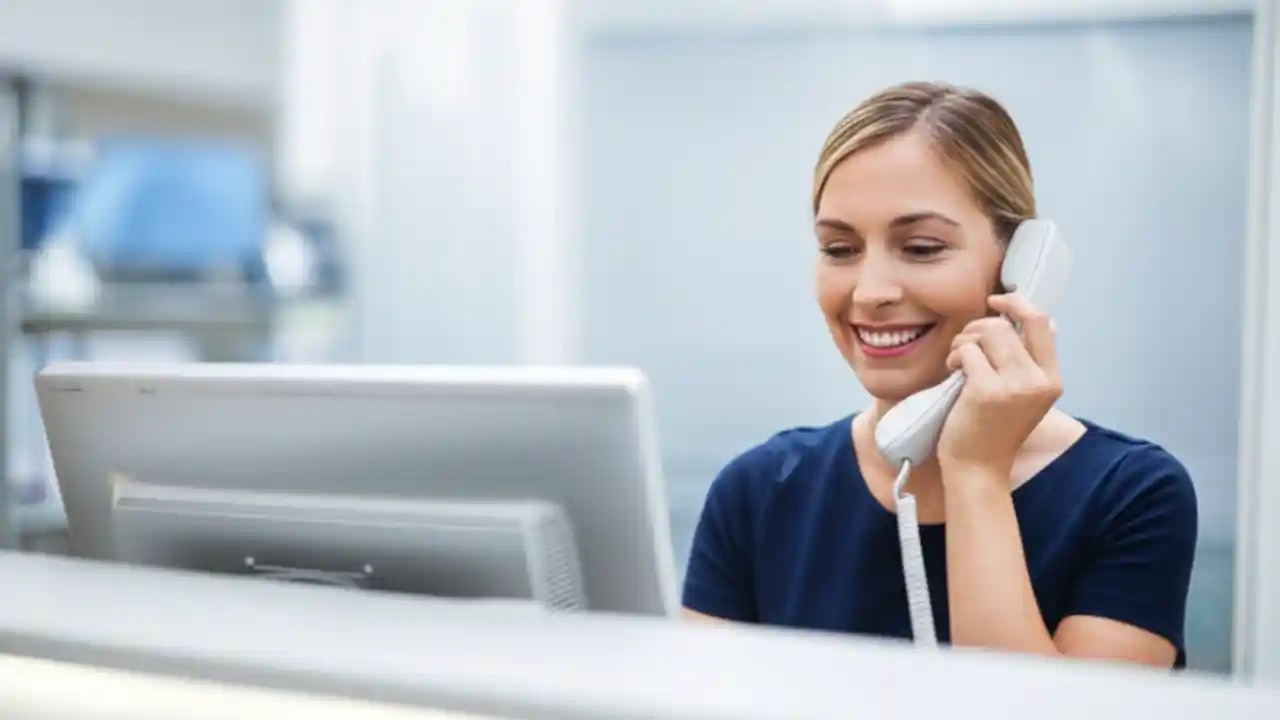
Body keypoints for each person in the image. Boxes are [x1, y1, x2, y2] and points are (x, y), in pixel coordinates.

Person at [680, 81, 1198, 669]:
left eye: (922, 248)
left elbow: (1025, 709)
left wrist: (976, 470)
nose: (870, 292)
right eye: (840, 249)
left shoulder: (1133, 496)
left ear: (1019, 267)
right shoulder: (759, 491)